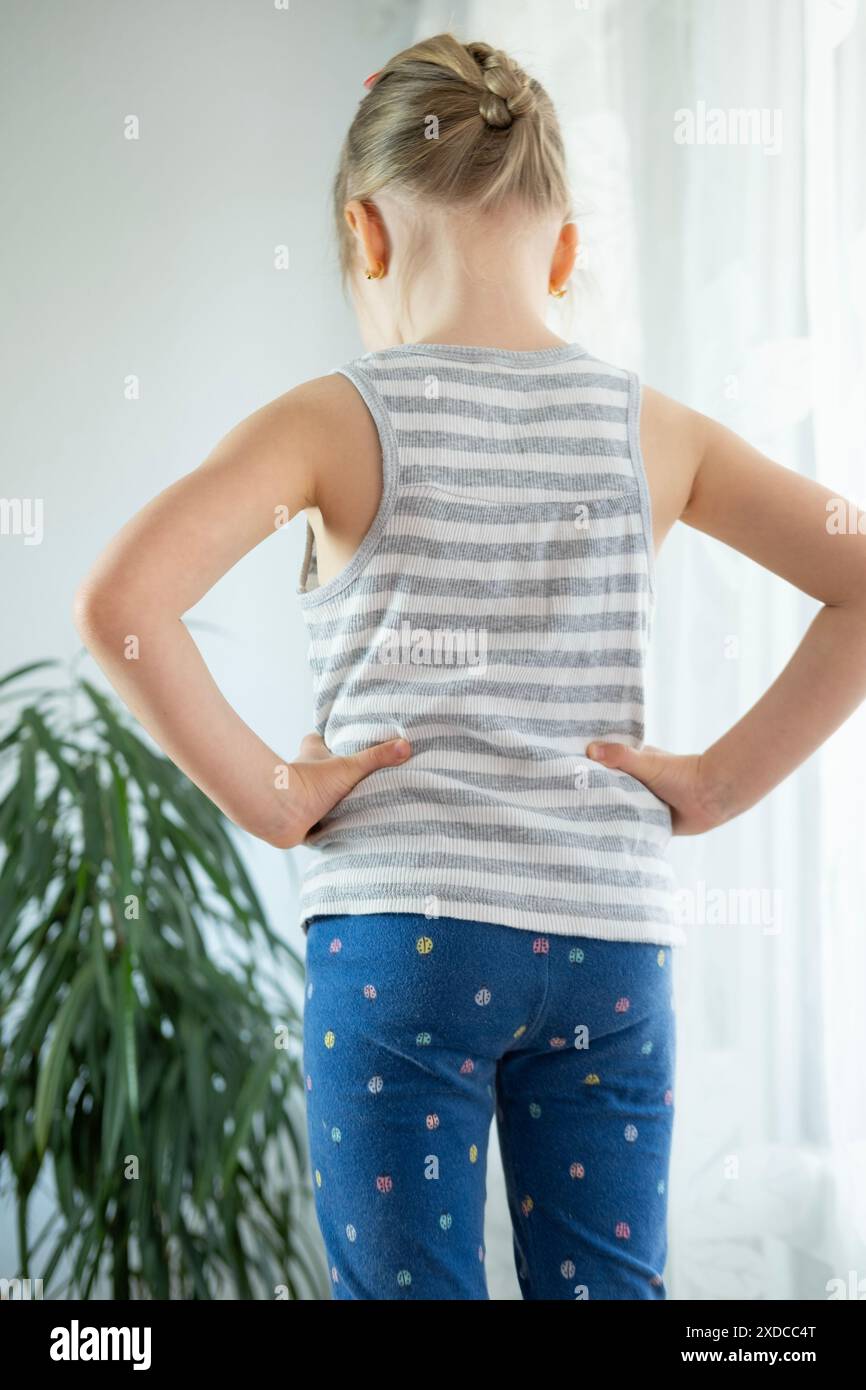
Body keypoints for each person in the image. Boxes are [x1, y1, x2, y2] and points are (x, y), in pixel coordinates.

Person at [74, 33, 866, 1302]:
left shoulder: (334, 416)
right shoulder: (652, 429)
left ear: (365, 237)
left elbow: (121, 601)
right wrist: (713, 786)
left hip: (408, 940)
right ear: (562, 253)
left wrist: (275, 797)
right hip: (609, 942)